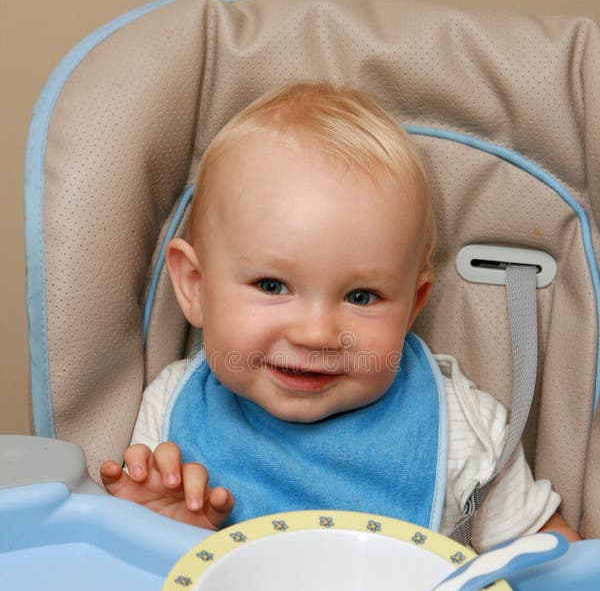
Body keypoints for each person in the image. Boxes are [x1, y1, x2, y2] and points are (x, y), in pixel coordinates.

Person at [100, 82, 580, 550]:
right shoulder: (173, 409)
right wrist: (167, 534)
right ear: (195, 286)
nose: (316, 334)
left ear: (413, 306)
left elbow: (555, 558)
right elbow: (125, 578)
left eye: (362, 297)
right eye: (272, 286)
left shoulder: (460, 429)